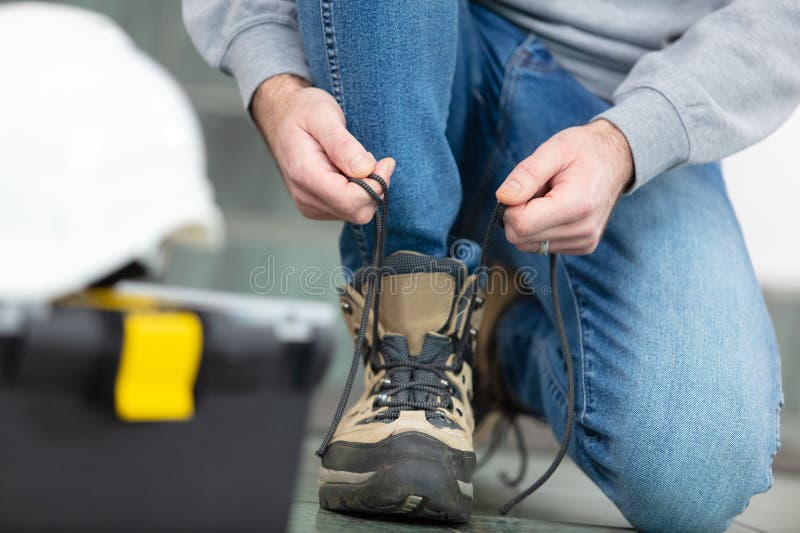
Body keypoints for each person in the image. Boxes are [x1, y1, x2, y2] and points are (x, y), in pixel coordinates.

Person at [183, 1, 798, 531]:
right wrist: (274, 81)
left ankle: (492, 348)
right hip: (418, 44)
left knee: (694, 471)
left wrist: (631, 140)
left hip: (629, 94)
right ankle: (412, 345)